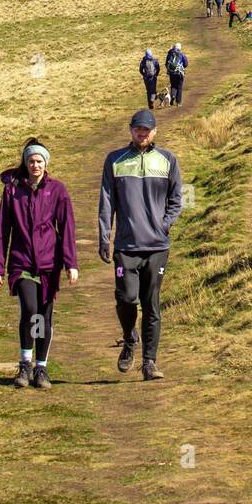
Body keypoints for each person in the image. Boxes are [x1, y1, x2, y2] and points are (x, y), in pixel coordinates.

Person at [98, 109, 183, 380]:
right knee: (126, 298)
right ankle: (128, 338)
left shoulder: (168, 160)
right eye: (138, 129)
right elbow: (106, 202)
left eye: (147, 129)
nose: (142, 133)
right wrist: (104, 237)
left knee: (151, 304)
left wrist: (164, 224)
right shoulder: (115, 160)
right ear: (131, 130)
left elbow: (177, 198)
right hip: (126, 246)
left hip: (157, 246)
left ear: (155, 131)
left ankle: (149, 362)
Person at [0, 139, 78, 389]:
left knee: (43, 316)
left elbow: (67, 229)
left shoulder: (58, 190)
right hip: (22, 263)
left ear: (46, 163)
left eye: (39, 161)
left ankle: (41, 367)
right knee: (30, 310)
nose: (35, 165)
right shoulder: (12, 191)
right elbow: (2, 230)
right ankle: (24, 364)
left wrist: (71, 263)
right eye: (31, 161)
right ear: (25, 163)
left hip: (49, 264)